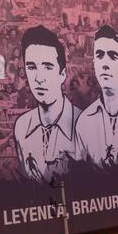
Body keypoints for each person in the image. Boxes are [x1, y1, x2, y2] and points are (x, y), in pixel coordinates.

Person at [12, 25, 79, 182]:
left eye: (47, 67)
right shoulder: (21, 126)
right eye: (32, 67)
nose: (38, 78)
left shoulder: (84, 124)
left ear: (62, 74)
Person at [75, 25, 118, 166]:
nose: (105, 63)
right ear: (95, 65)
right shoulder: (84, 121)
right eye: (99, 56)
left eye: (112, 56)